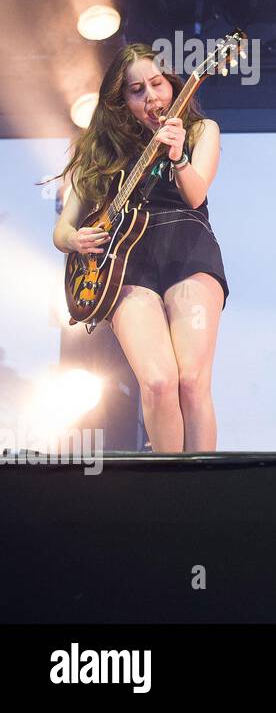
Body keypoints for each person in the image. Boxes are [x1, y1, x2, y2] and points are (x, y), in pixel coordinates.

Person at [53, 43, 228, 452]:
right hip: (124, 265)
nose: (151, 97)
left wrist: (178, 154)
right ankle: (167, 492)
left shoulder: (203, 131)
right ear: (121, 101)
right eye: (136, 90)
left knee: (191, 380)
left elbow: (196, 194)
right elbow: (63, 228)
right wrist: (74, 238)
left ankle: (204, 489)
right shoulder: (97, 152)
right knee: (158, 381)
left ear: (172, 84)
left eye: (157, 83)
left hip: (187, 249)